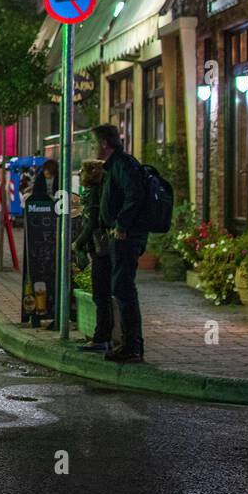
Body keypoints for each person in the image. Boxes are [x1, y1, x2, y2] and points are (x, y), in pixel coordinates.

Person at [93, 124, 148, 363]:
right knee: (120, 288)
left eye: (96, 143)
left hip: (126, 237)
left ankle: (132, 346)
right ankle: (129, 344)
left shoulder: (123, 164)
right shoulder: (116, 165)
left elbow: (135, 195)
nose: (95, 148)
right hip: (119, 236)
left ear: (105, 143)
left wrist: (122, 225)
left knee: (124, 289)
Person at [73, 159, 112, 351]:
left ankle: (101, 338)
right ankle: (105, 336)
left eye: (82, 171)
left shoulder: (96, 193)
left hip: (100, 249)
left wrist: (78, 243)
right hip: (101, 248)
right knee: (104, 292)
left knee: (100, 293)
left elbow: (92, 223)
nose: (79, 174)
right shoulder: (99, 191)